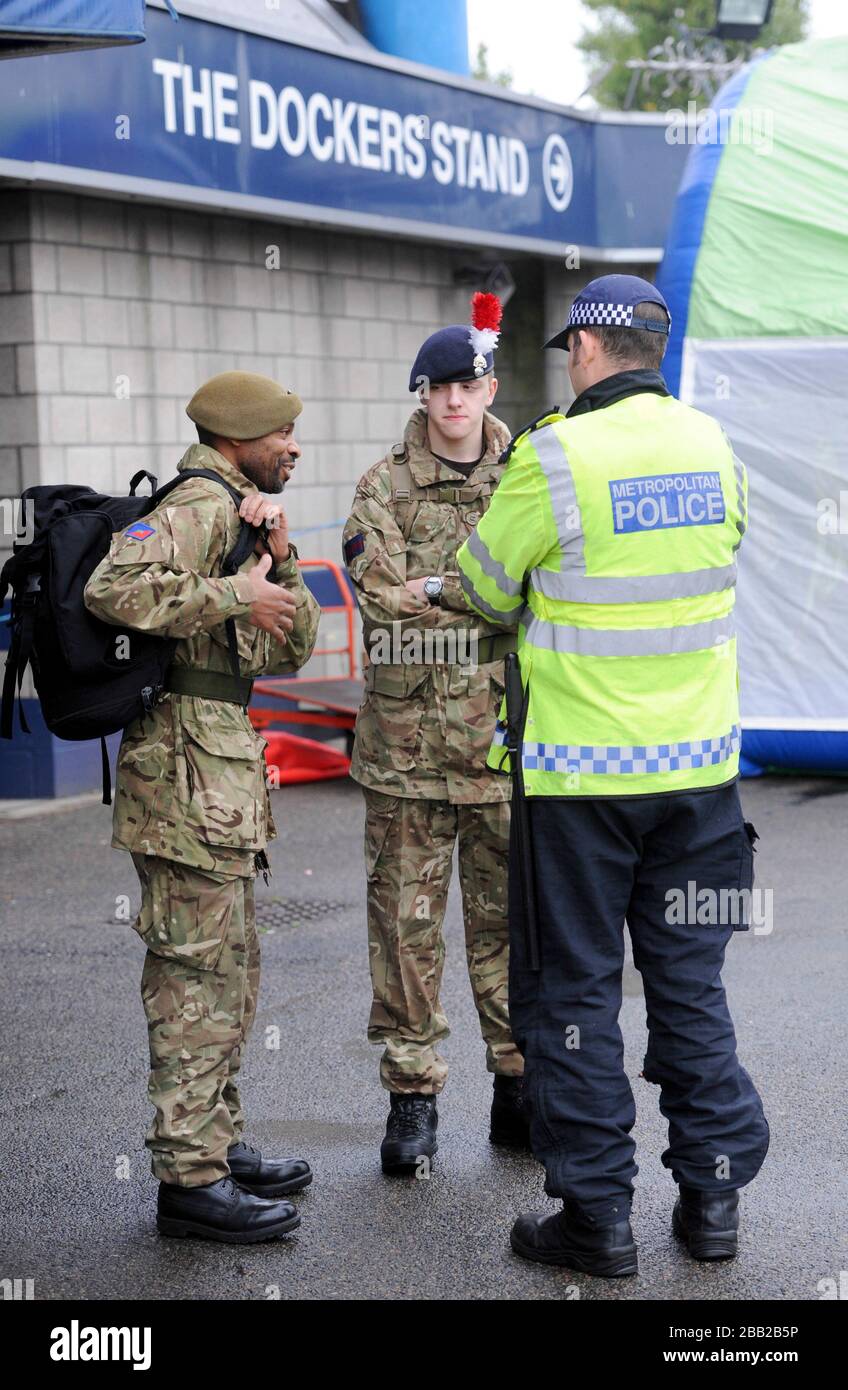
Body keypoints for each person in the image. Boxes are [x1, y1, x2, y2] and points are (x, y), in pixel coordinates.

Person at [457, 275, 769, 1276]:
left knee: (571, 999)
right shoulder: (714, 449)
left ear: (588, 350)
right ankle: (711, 1201)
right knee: (689, 986)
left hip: (580, 789)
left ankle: (594, 1220)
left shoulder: (553, 455)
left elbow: (481, 586)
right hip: (701, 780)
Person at [84, 371, 321, 1244]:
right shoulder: (198, 501)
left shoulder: (242, 509)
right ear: (239, 437)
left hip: (216, 776)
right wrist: (232, 593)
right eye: (283, 433)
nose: (294, 445)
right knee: (193, 978)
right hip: (182, 777)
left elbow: (293, 643)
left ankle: (214, 1145)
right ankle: (189, 1180)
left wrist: (280, 560)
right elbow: (112, 587)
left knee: (228, 971)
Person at [342, 296, 529, 1174]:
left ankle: (518, 1087)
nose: (454, 401)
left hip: (502, 747)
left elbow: (538, 584)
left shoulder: (527, 474)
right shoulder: (382, 485)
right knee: (405, 933)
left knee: (512, 928)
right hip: (407, 754)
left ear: (489, 387)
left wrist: (432, 589)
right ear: (422, 397)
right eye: (438, 388)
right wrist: (475, 594)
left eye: (468, 385)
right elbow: (379, 593)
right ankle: (412, 1100)